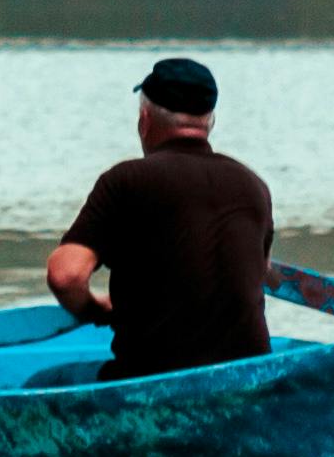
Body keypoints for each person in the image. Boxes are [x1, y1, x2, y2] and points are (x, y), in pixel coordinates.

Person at [45, 56, 276, 378]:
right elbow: (261, 273)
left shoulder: (126, 180)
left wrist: (94, 310)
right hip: (250, 377)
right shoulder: (254, 186)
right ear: (210, 122)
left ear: (144, 120)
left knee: (48, 379)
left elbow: (66, 275)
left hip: (150, 377)